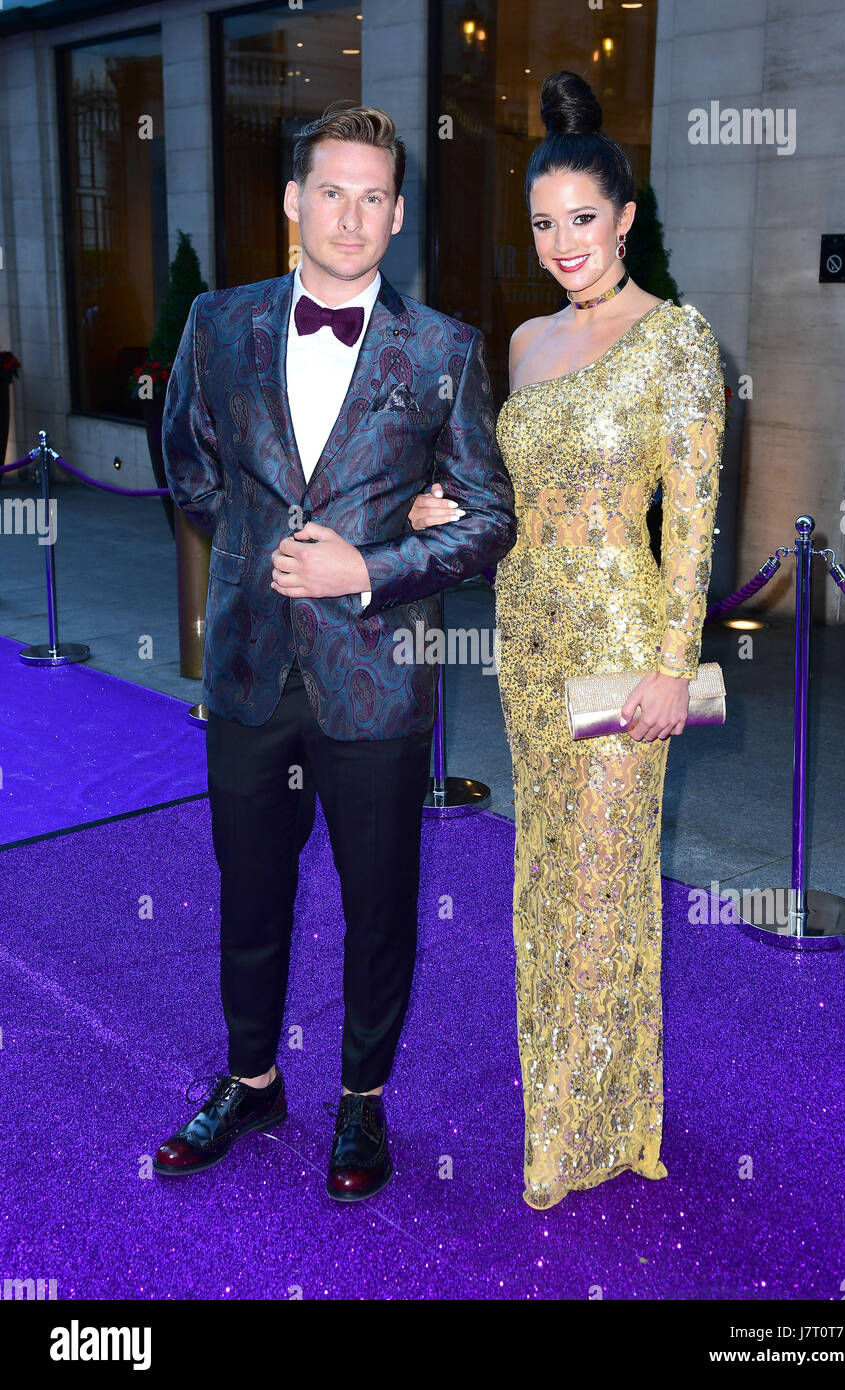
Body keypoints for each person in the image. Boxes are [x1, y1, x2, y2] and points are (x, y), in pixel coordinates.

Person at [156, 101, 516, 1200]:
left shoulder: (443, 348)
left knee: (380, 900)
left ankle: (363, 1101)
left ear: (397, 212)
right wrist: (268, 559)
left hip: (378, 674)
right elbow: (189, 463)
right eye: (330, 191)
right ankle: (252, 1076)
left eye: (373, 196)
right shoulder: (218, 324)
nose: (350, 216)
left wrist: (363, 570)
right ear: (290, 201)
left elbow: (489, 516)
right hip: (255, 667)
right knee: (249, 889)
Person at [408, 71, 725, 1209]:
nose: (562, 243)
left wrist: (673, 669)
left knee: (602, 882)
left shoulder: (677, 341)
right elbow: (507, 498)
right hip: (528, 645)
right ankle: (572, 1087)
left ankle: (588, 1130)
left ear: (627, 219)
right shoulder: (528, 339)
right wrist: (445, 510)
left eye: (583, 220)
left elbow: (691, 526)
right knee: (543, 879)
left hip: (623, 642)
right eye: (544, 224)